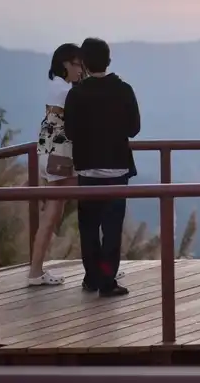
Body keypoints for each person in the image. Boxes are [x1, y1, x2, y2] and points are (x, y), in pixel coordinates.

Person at [64, 37, 140, 297]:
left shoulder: (76, 94)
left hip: (87, 170)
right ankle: (108, 280)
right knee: (111, 230)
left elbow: (70, 132)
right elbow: (134, 128)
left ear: (84, 63)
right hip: (117, 170)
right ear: (109, 61)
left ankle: (91, 278)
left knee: (88, 228)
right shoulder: (124, 90)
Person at [29, 44, 83, 286]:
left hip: (48, 154)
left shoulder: (56, 87)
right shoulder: (65, 91)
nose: (80, 70)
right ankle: (103, 268)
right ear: (65, 64)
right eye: (77, 64)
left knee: (52, 213)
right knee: (90, 197)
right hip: (59, 157)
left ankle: (35, 271)